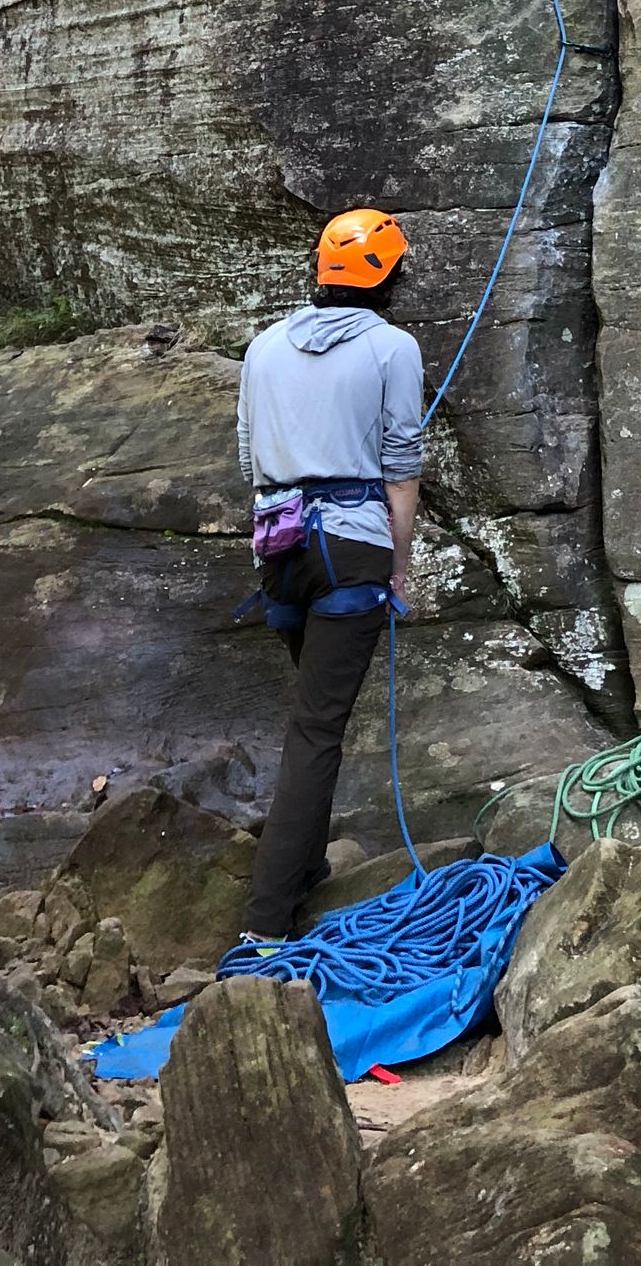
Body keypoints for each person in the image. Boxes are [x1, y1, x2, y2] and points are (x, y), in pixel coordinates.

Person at [235, 206, 424, 947]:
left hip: (278, 551)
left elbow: (251, 460)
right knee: (317, 731)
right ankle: (265, 928)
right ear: (388, 276)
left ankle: (306, 867)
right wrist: (398, 566)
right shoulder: (392, 348)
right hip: (352, 548)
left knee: (311, 719)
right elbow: (400, 469)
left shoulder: (265, 345)